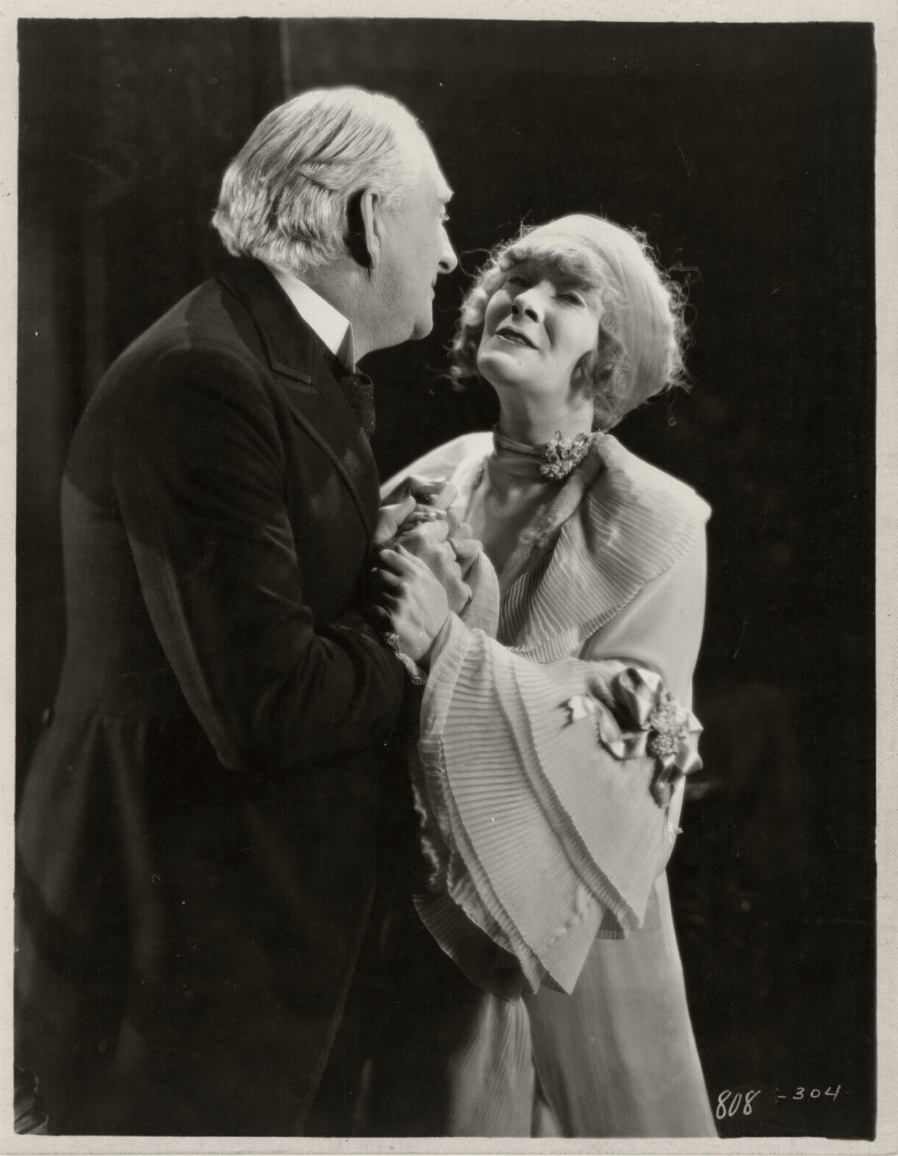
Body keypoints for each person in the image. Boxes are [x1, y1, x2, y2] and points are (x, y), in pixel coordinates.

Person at [14, 86, 458, 1135]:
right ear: (361, 220)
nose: (449, 253)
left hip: (247, 915)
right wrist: (418, 630)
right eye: (437, 214)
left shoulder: (284, 355)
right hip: (182, 937)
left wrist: (391, 561)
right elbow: (270, 705)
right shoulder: (205, 377)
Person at [361, 213, 718, 1137]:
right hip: (404, 903)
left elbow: (631, 750)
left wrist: (452, 650)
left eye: (567, 296)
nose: (524, 302)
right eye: (517, 284)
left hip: (564, 918)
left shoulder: (660, 520)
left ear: (607, 359)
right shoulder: (430, 480)